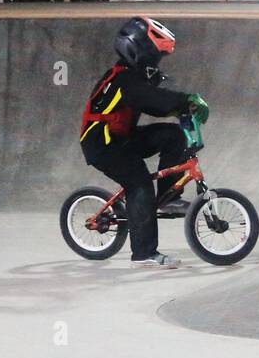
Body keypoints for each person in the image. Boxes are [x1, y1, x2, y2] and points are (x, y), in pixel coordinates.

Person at [79, 16, 206, 267]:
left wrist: (181, 110)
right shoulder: (123, 80)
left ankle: (168, 198)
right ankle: (144, 254)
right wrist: (186, 100)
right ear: (140, 52)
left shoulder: (133, 78)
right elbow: (152, 99)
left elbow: (154, 105)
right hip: (101, 144)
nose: (157, 63)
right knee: (140, 186)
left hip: (121, 138)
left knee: (173, 136)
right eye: (156, 56)